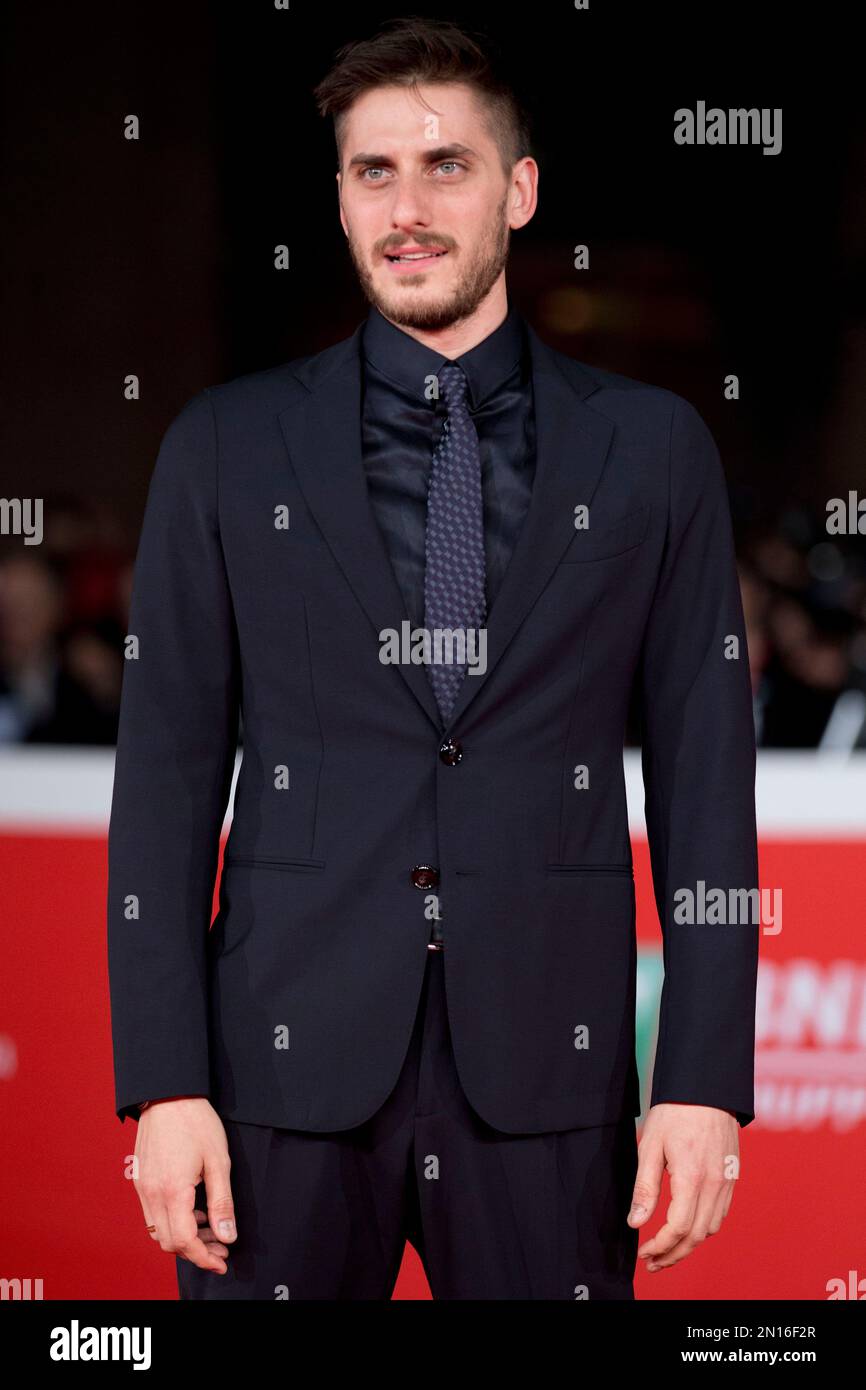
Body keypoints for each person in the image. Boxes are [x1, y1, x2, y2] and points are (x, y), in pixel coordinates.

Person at [107, 16, 759, 1300]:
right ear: (341, 204)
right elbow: (168, 781)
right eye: (372, 173)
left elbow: (701, 778)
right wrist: (165, 1084)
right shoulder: (225, 447)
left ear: (517, 191)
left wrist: (700, 1079)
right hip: (275, 1078)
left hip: (549, 1082)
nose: (407, 208)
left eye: (445, 166)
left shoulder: (650, 448)